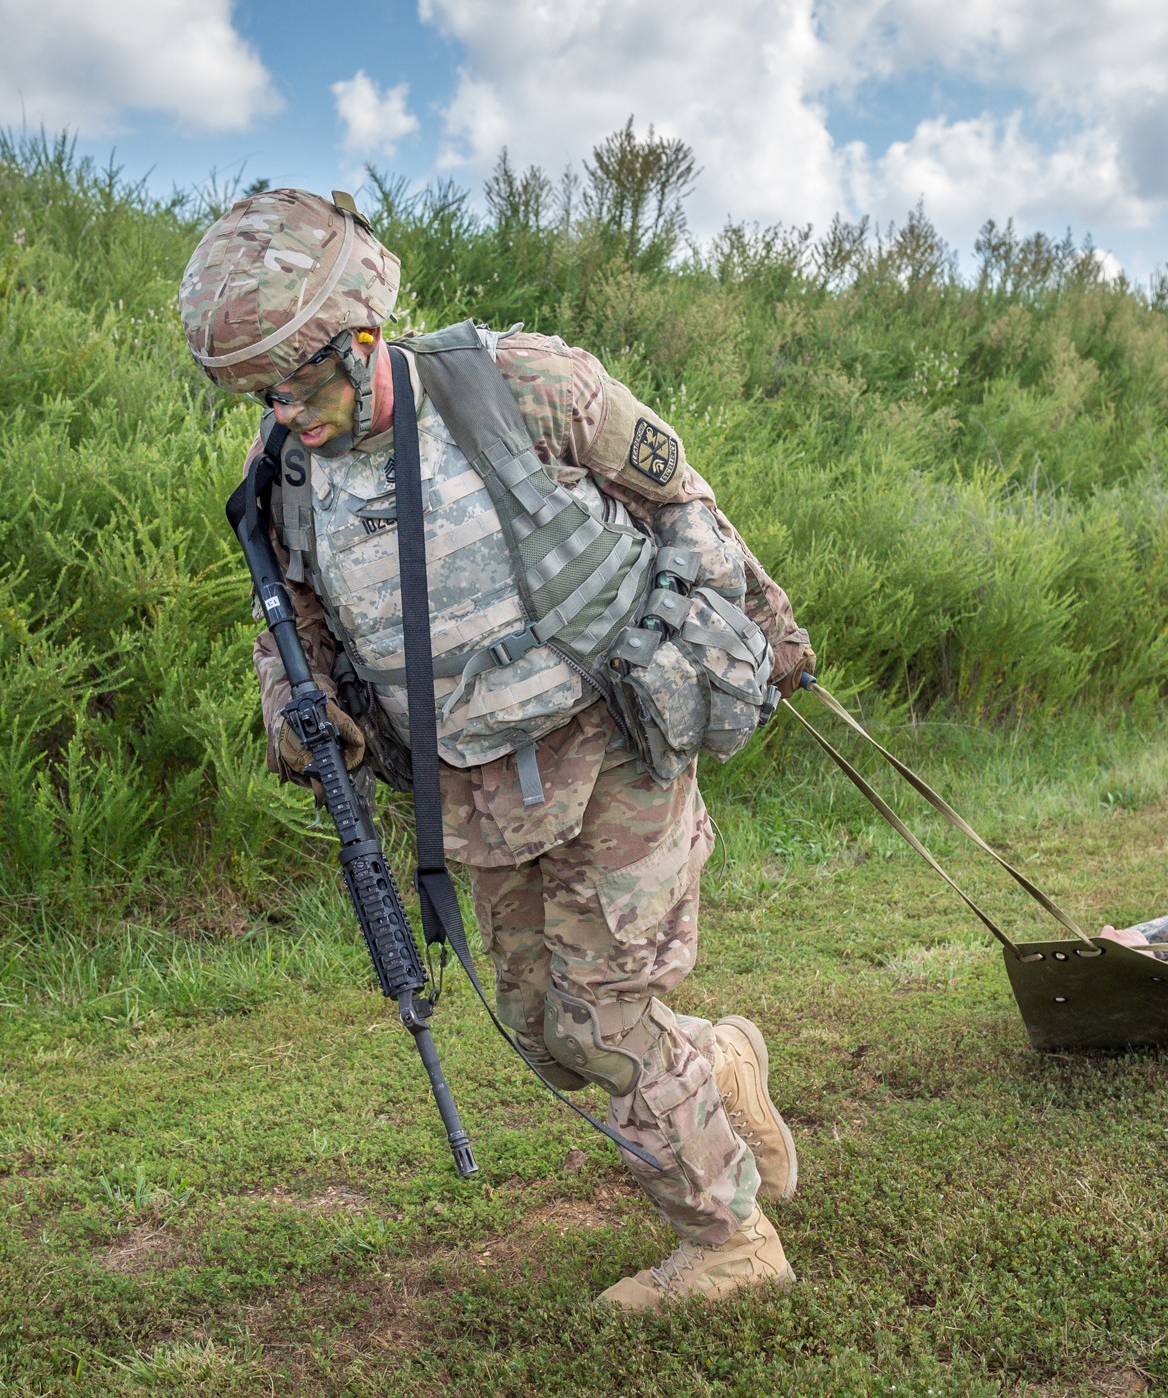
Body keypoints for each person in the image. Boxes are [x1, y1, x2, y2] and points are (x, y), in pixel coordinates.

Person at [179, 188, 816, 1307]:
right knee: (539, 1033)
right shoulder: (284, 475)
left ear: (363, 335)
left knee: (602, 1022)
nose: (284, 411)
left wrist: (764, 631)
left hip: (613, 734)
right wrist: (299, 707)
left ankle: (730, 1245)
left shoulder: (523, 384)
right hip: (470, 784)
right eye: (259, 392)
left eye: (300, 381)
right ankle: (715, 1065)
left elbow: (685, 506)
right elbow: (291, 623)